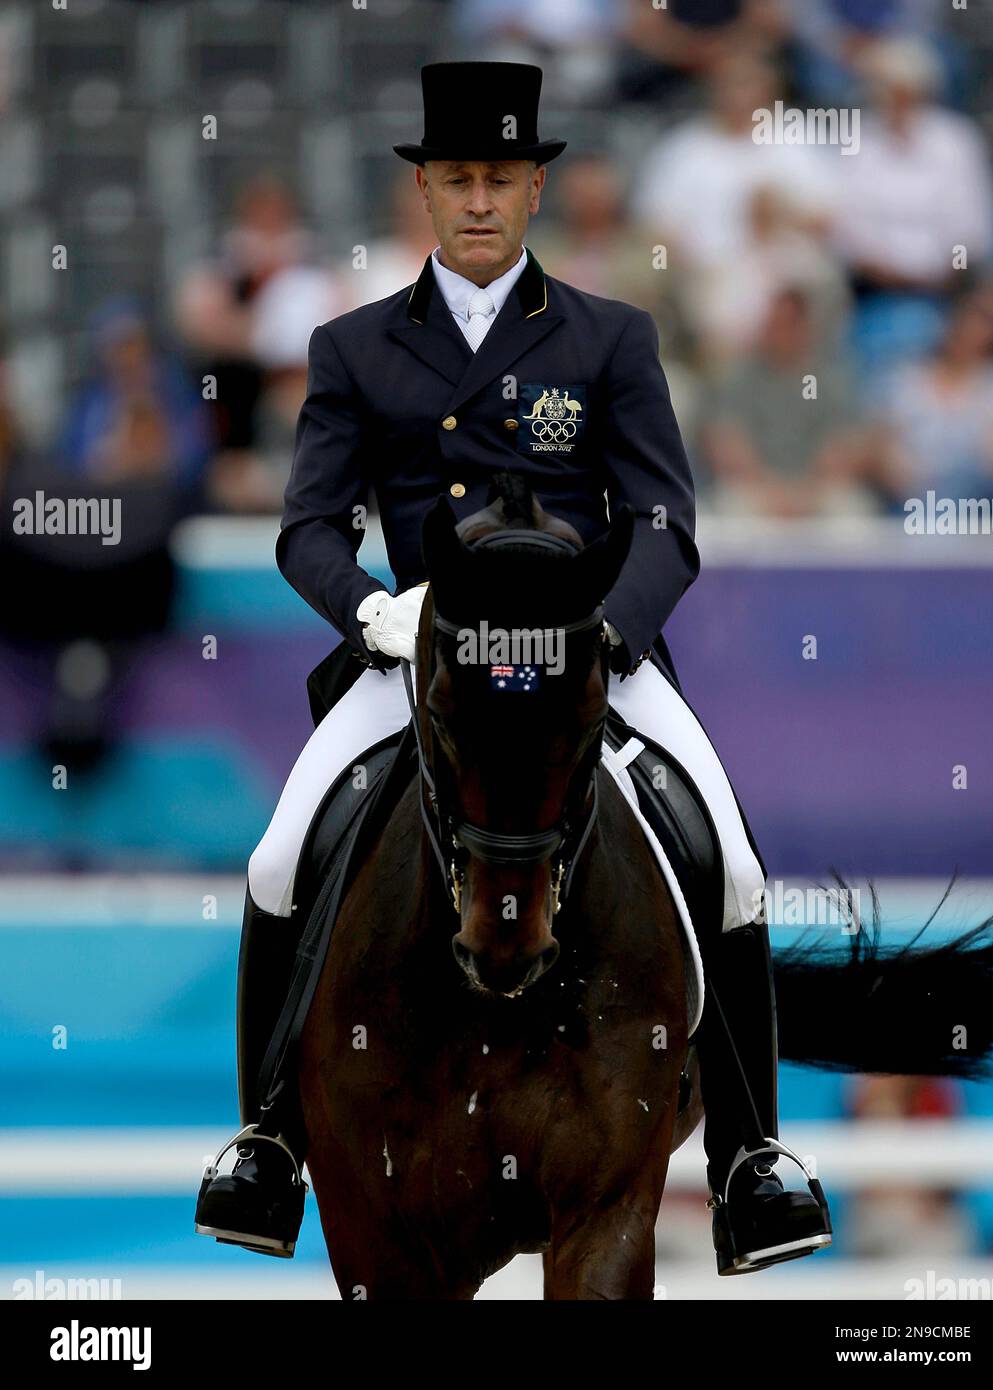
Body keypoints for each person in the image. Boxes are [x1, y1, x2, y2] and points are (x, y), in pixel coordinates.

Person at [194, 61, 831, 1277]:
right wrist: (373, 611)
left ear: (535, 189)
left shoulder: (608, 338)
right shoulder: (355, 347)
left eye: (500, 177)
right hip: (421, 663)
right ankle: (269, 1137)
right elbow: (306, 527)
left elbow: (664, 521)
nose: (478, 199)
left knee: (735, 863)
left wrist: (609, 631)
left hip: (585, 655)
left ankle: (753, 1158)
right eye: (457, 178)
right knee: (278, 858)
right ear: (425, 192)